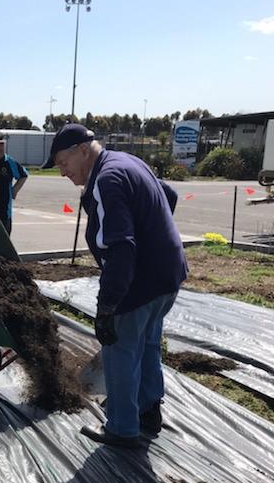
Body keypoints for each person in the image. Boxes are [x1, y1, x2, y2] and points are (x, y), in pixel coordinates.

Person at [43, 124, 187, 448]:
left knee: (119, 350)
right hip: (168, 276)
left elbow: (121, 249)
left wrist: (107, 307)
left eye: (63, 162)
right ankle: (149, 410)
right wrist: (155, 239)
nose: (62, 171)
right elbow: (169, 196)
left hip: (139, 282)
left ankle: (123, 427)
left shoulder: (106, 180)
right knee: (147, 343)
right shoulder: (127, 161)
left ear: (83, 150)